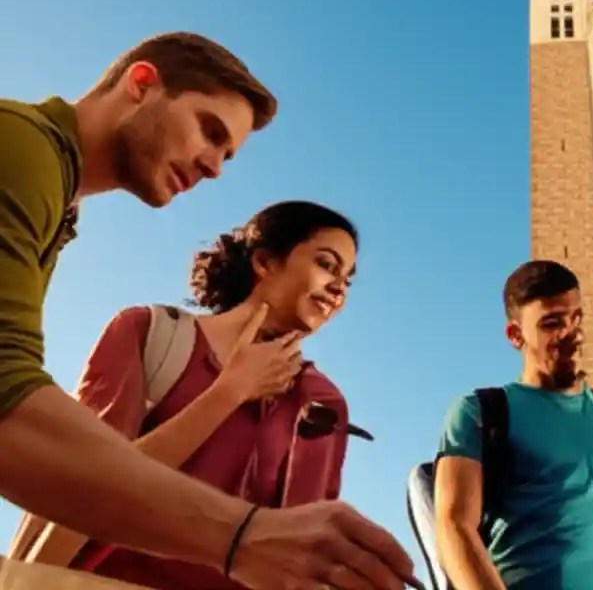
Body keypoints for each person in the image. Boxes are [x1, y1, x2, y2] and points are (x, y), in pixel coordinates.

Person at [0, 33, 417, 590]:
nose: (216, 168)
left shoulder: (323, 402)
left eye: (228, 155)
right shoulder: (22, 149)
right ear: (141, 84)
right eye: (209, 131)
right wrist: (240, 533)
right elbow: (11, 404)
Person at [11, 201, 365, 589]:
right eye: (327, 265)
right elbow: (86, 485)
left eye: (348, 279)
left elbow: (304, 552)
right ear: (265, 262)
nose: (338, 288)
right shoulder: (149, 334)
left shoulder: (322, 402)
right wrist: (229, 392)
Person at [433, 260, 593, 590]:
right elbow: (453, 526)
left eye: (576, 318)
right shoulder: (478, 413)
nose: (573, 334)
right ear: (515, 334)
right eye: (552, 323)